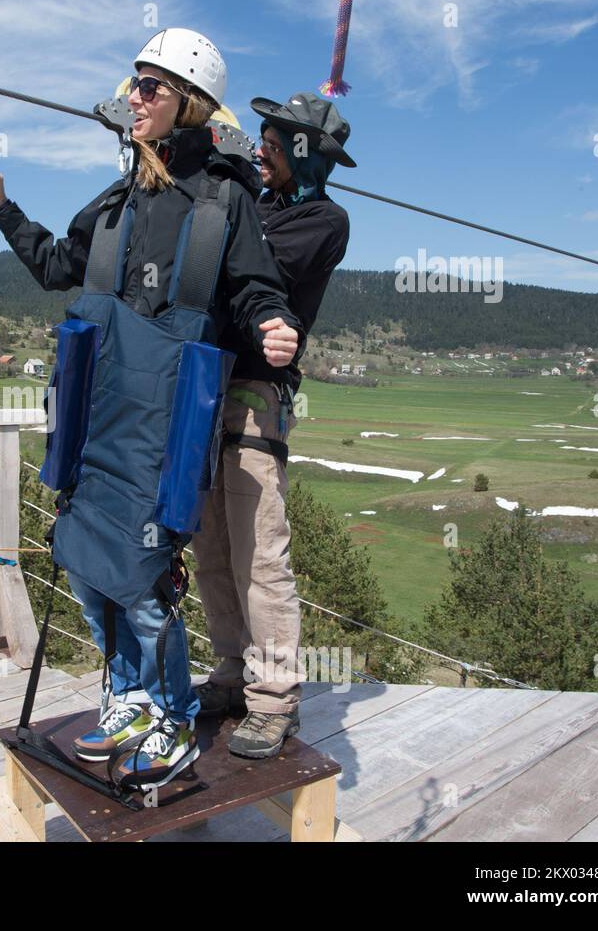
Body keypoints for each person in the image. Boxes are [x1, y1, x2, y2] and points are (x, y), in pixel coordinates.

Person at [0, 29, 304, 785]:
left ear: (189, 103)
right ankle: (130, 696)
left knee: (144, 567)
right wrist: (2, 207)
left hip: (171, 405)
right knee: (84, 553)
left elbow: (252, 287)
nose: (135, 98)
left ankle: (172, 716)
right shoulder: (114, 204)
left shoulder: (224, 198)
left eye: (151, 86)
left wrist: (273, 324)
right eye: (134, 85)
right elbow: (57, 267)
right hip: (103, 400)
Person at [189, 91, 355, 759]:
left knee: (259, 551)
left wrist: (230, 185)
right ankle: (233, 671)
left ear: (305, 156)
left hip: (255, 391)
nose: (261, 148)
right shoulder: (255, 204)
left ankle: (274, 699)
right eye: (259, 137)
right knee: (210, 545)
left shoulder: (324, 220)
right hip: (209, 386)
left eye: (274, 142)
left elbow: (255, 277)